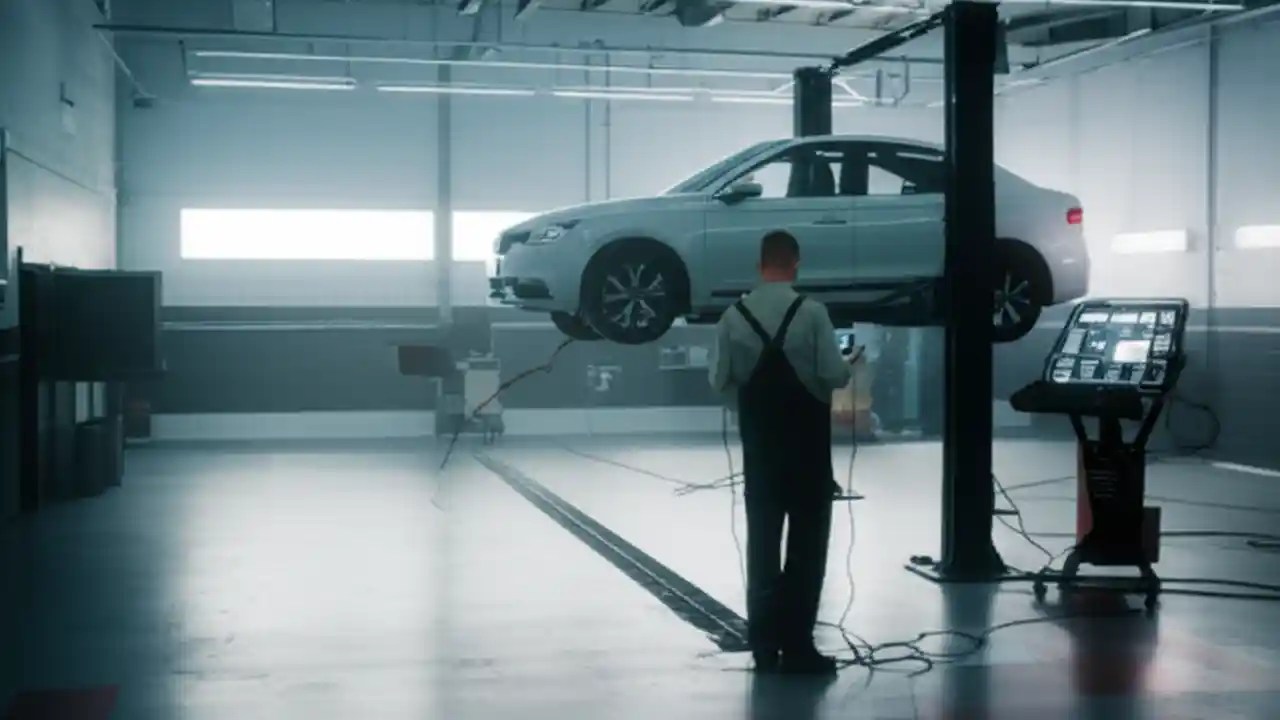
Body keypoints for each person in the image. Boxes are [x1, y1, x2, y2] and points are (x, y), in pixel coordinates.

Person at [709, 229, 857, 675]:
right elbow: (834, 375)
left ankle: (763, 644)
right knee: (807, 550)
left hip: (761, 456)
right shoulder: (811, 313)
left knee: (762, 545)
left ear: (759, 265)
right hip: (809, 457)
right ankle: (798, 647)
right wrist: (843, 368)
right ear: (795, 264)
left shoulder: (732, 317)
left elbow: (719, 381)